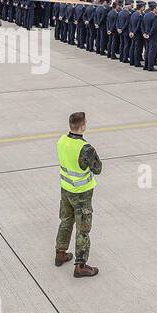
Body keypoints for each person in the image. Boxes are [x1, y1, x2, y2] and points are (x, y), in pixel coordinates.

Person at [55, 111, 102, 278]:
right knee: (83, 230)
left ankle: (60, 253)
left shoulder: (61, 140)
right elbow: (98, 168)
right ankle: (80, 266)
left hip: (65, 189)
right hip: (81, 194)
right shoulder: (86, 148)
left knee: (66, 221)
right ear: (83, 126)